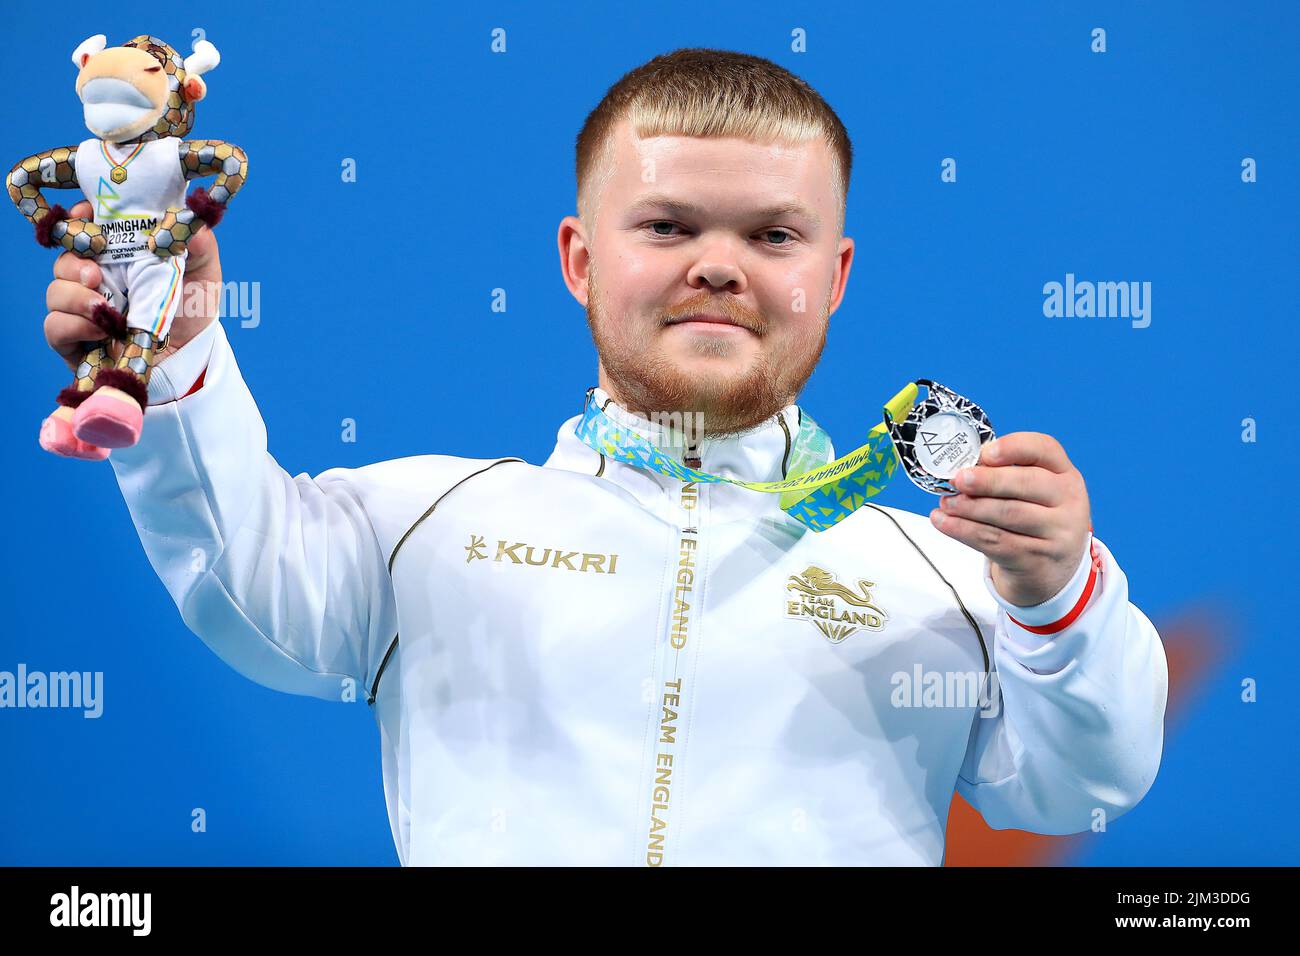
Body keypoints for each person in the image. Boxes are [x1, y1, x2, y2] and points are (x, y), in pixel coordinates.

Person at [41, 48, 1168, 866]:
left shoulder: (951, 573)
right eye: (668, 226)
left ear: (834, 275)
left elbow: (1082, 785)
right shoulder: (428, 525)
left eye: (772, 234)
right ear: (579, 259)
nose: (718, 266)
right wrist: (173, 353)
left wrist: (1060, 601)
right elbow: (243, 586)